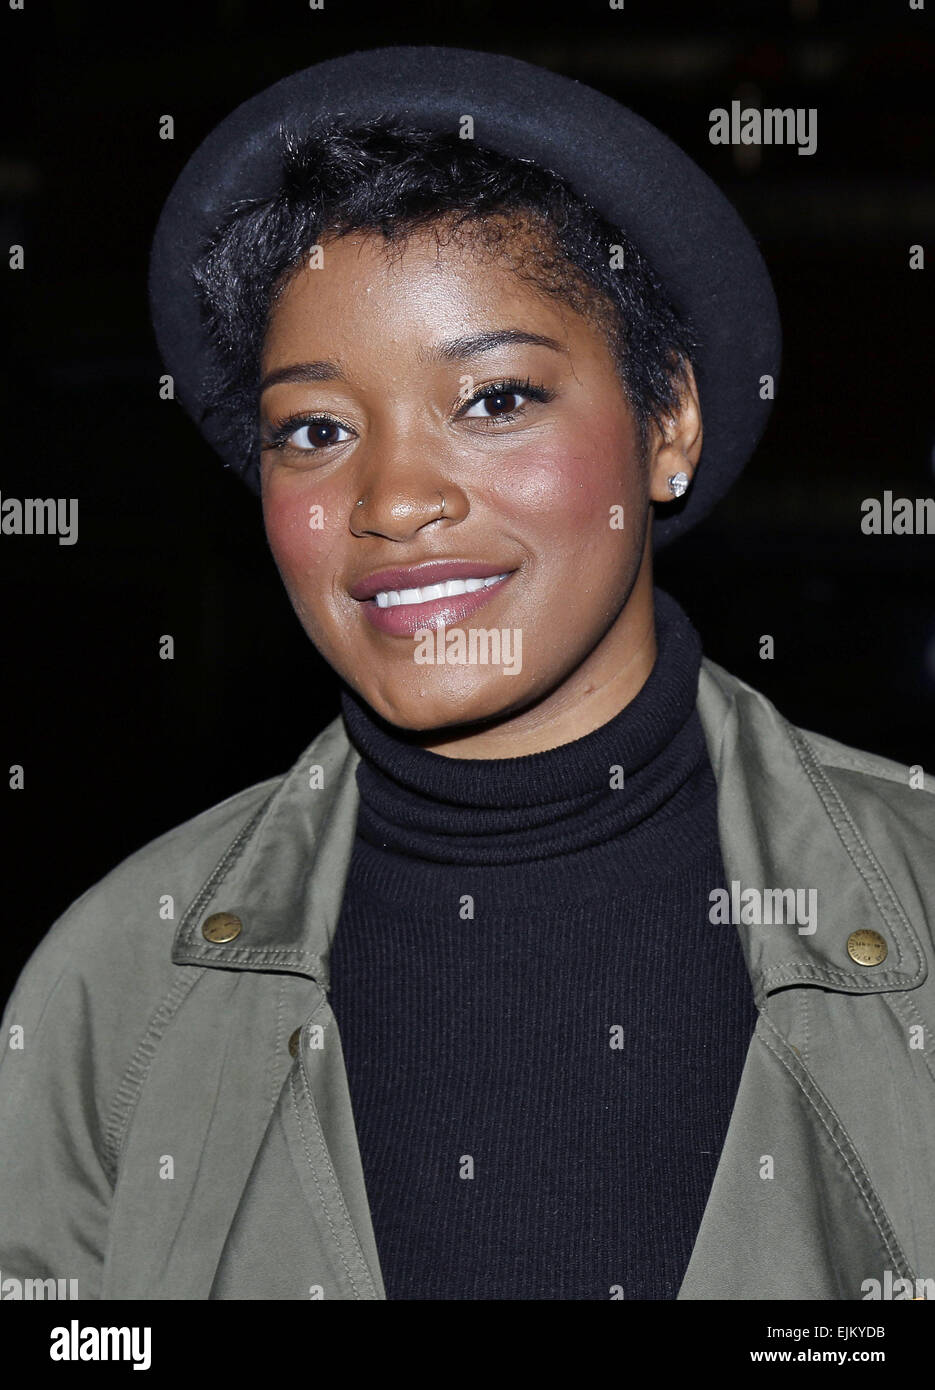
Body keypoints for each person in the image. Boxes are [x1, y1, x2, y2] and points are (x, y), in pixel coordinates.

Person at [2, 45, 934, 1303]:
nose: (389, 499)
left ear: (668, 422)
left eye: (492, 399)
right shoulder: (113, 987)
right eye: (315, 430)